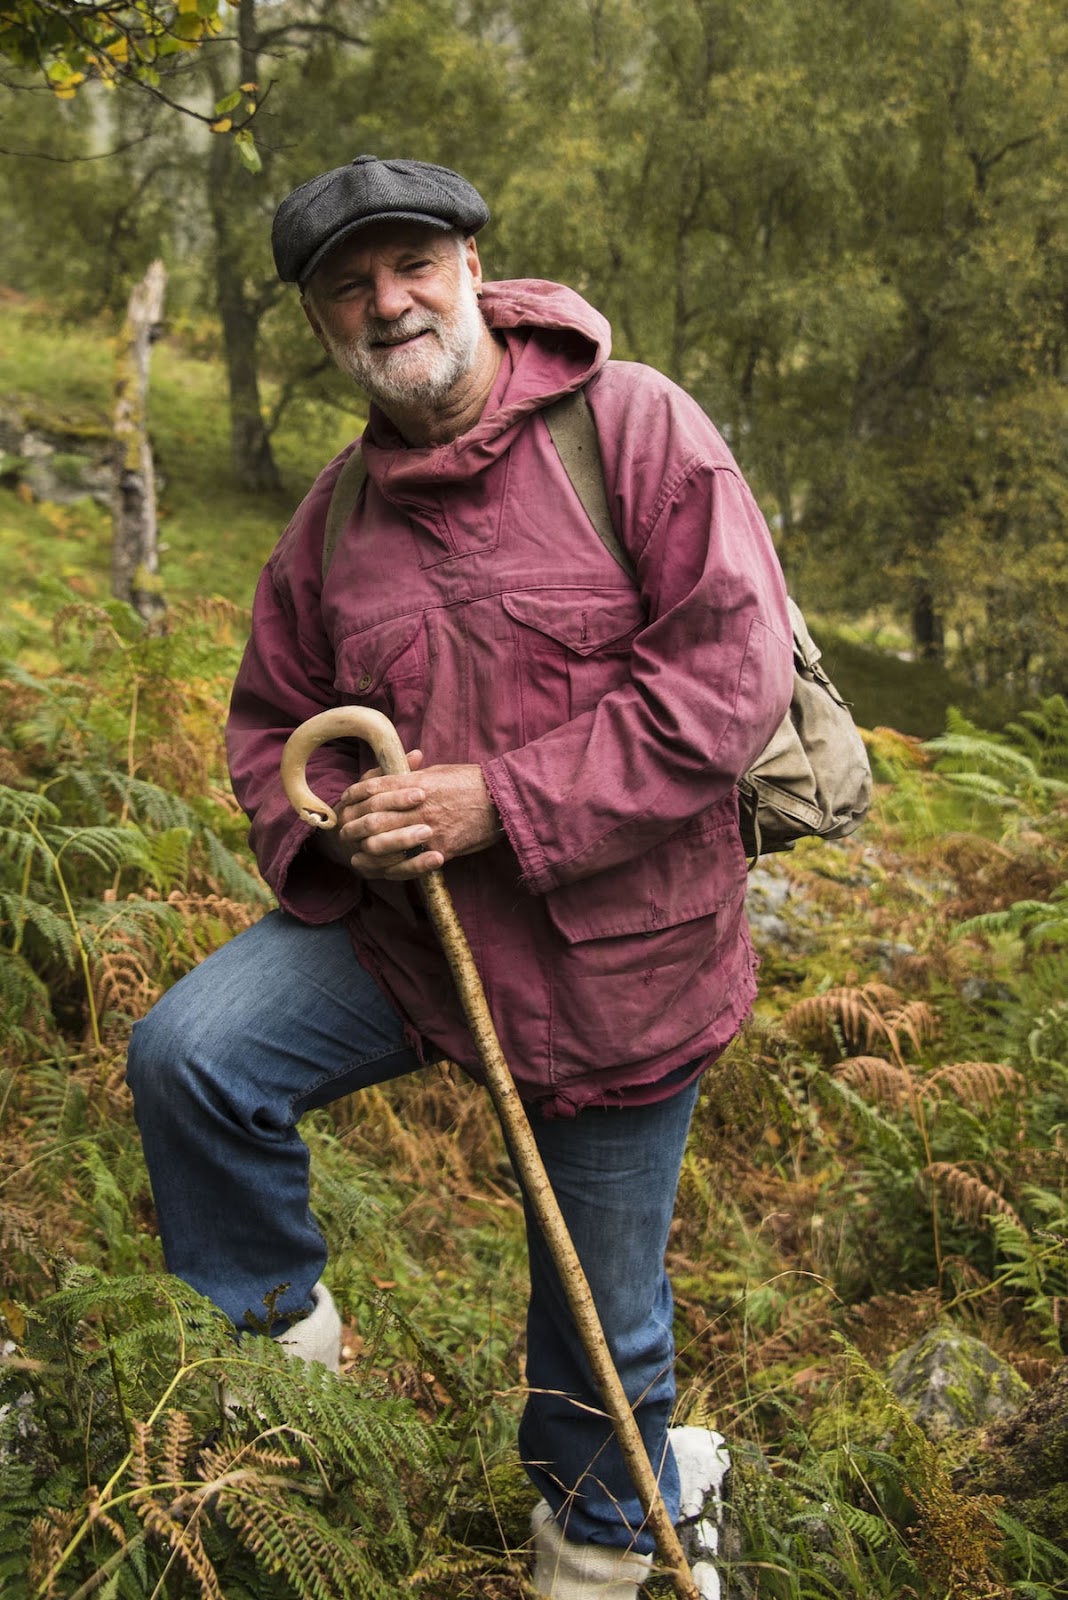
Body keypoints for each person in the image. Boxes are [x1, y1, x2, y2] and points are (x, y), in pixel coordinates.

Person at [126, 153, 794, 1600]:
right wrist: (336, 826)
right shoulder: (330, 526)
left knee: (593, 1339)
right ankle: (284, 1360)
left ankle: (613, 1543)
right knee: (192, 1056)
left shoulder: (636, 432)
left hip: (624, 968)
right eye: (346, 287)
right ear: (319, 323)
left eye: (410, 264)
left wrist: (500, 800)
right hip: (414, 943)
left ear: (474, 264)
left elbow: (728, 689)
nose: (387, 302)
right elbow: (268, 730)